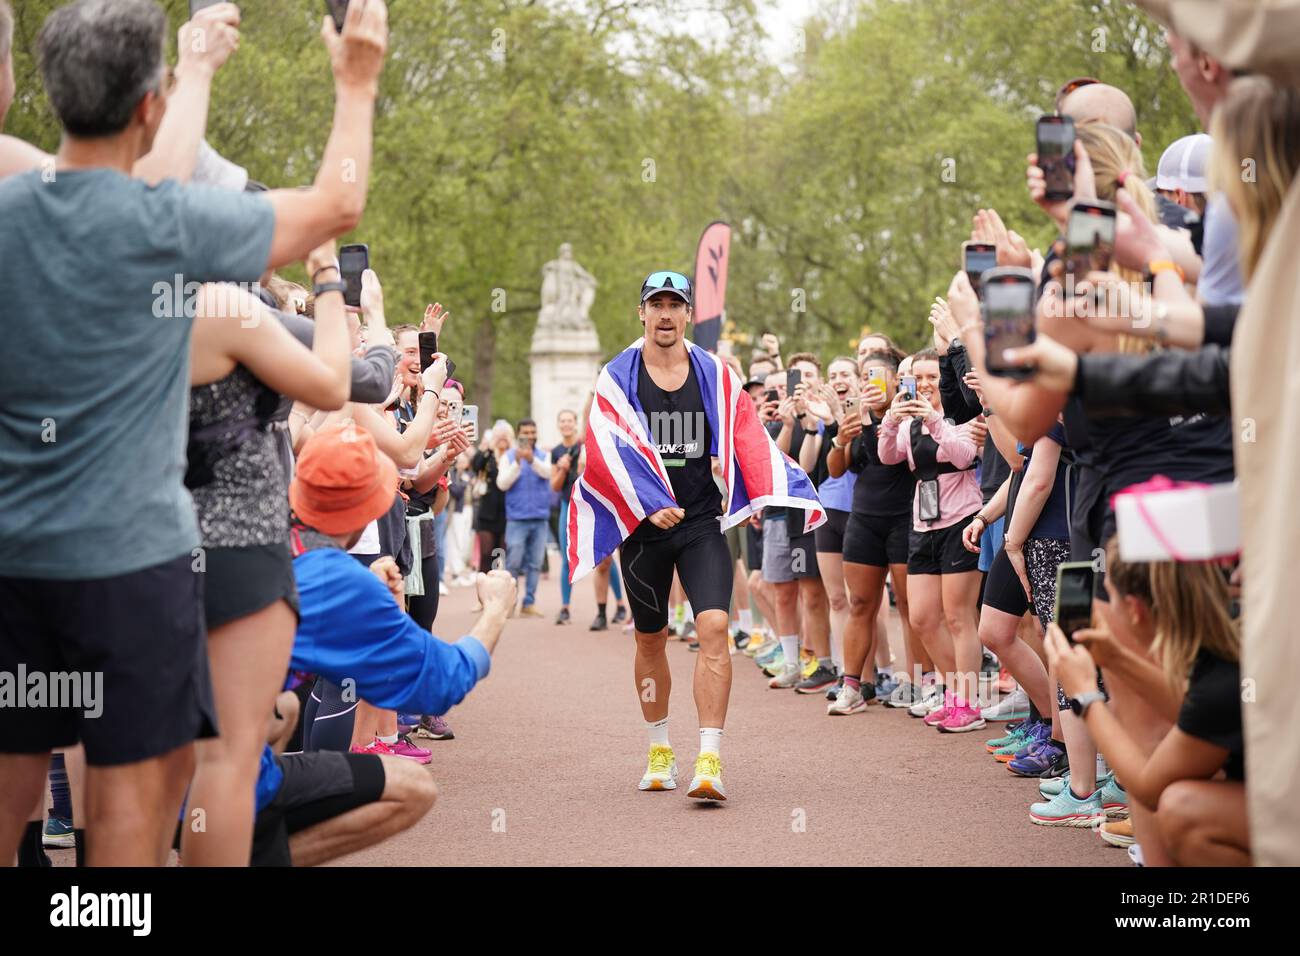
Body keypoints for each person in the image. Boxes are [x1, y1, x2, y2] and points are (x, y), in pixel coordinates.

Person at [0, 0, 389, 866]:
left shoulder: (12, 197)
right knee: (129, 830)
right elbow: (339, 203)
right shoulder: (163, 230)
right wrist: (355, 79)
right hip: (132, 572)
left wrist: (197, 71)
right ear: (149, 105)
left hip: (14, 562)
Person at [567, 269, 822, 801]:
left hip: (701, 522)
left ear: (687, 315)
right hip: (642, 530)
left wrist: (771, 484)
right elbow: (603, 451)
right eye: (655, 304)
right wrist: (646, 502)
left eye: (674, 305)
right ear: (641, 312)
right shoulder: (617, 375)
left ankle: (710, 757)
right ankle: (660, 747)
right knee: (650, 637)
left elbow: (747, 434)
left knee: (712, 625)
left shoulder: (714, 373)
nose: (665, 315)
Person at [1046, 540, 1247, 865]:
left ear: (1135, 609)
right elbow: (1191, 706)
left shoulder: (1223, 676)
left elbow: (1148, 785)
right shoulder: (1224, 640)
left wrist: (1085, 696)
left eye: (1107, 597)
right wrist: (1117, 659)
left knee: (1182, 810)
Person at [878, 349, 985, 733]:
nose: (924, 385)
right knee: (923, 617)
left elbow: (962, 456)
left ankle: (969, 703)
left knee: (958, 617)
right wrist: (892, 421)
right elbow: (888, 456)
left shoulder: (960, 415)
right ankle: (955, 691)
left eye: (930, 377)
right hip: (922, 524)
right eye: (916, 378)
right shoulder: (909, 423)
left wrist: (934, 419)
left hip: (962, 521)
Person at [497, 419, 553, 617]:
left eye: (532, 432)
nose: (529, 436)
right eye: (525, 433)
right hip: (517, 518)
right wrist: (518, 464)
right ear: (519, 435)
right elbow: (502, 484)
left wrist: (531, 460)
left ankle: (529, 602)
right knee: (513, 562)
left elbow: (548, 473)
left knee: (535, 564)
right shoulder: (508, 457)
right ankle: (510, 603)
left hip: (539, 517)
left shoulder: (544, 455)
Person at [550, 409, 583, 624]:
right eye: (562, 421)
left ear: (576, 423)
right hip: (566, 505)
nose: (566, 424)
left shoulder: (584, 447)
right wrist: (562, 469)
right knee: (566, 558)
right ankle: (565, 607)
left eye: (569, 420)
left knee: (605, 560)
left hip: (587, 506)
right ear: (558, 425)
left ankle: (618, 605)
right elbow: (554, 486)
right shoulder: (556, 451)